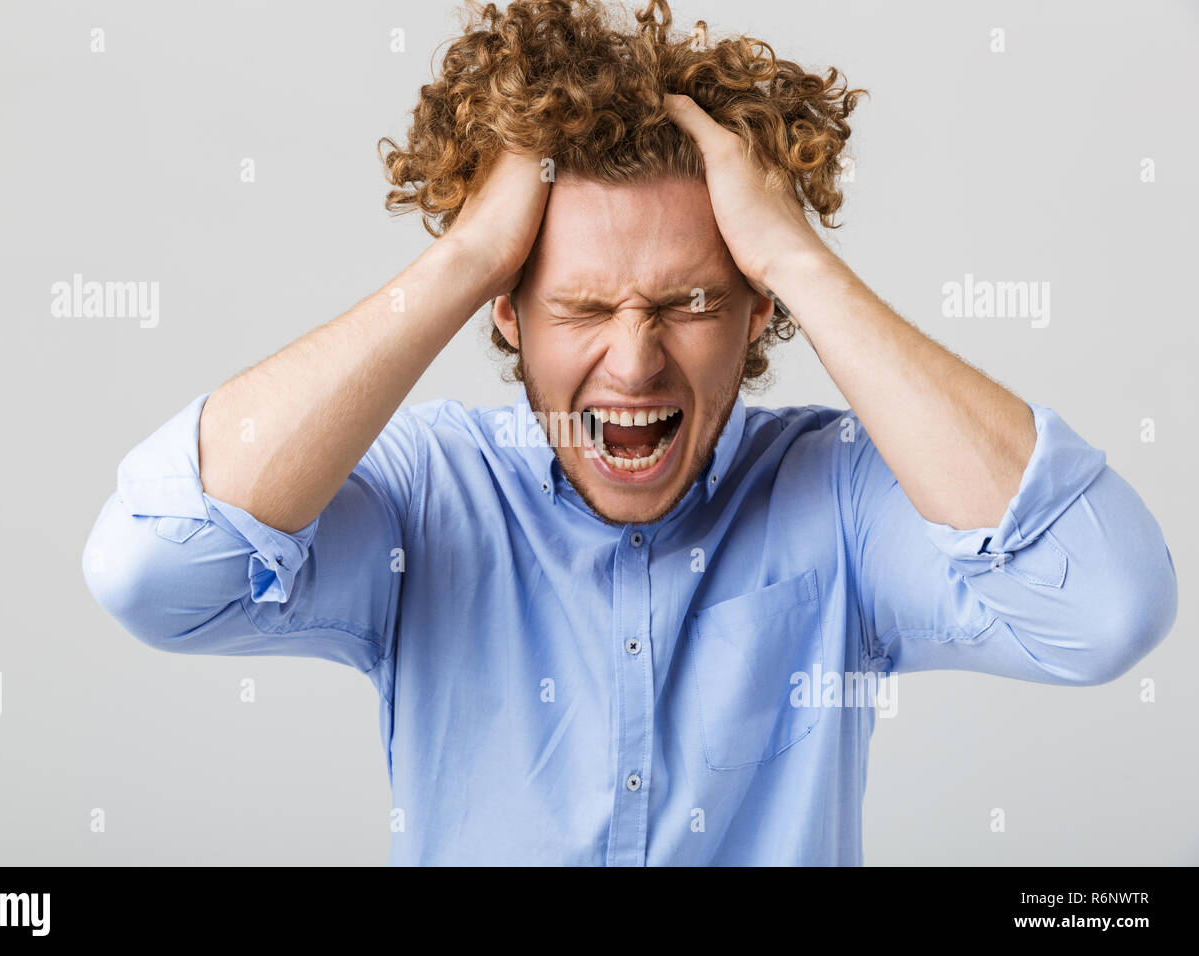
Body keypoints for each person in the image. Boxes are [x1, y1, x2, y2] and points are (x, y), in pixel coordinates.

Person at [82, 0, 1177, 865]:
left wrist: (795, 259)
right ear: (507, 313)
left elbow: (1106, 607)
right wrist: (464, 260)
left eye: (690, 302)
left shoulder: (837, 494)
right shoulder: (430, 494)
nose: (637, 358)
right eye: (583, 306)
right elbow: (153, 571)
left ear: (756, 313)